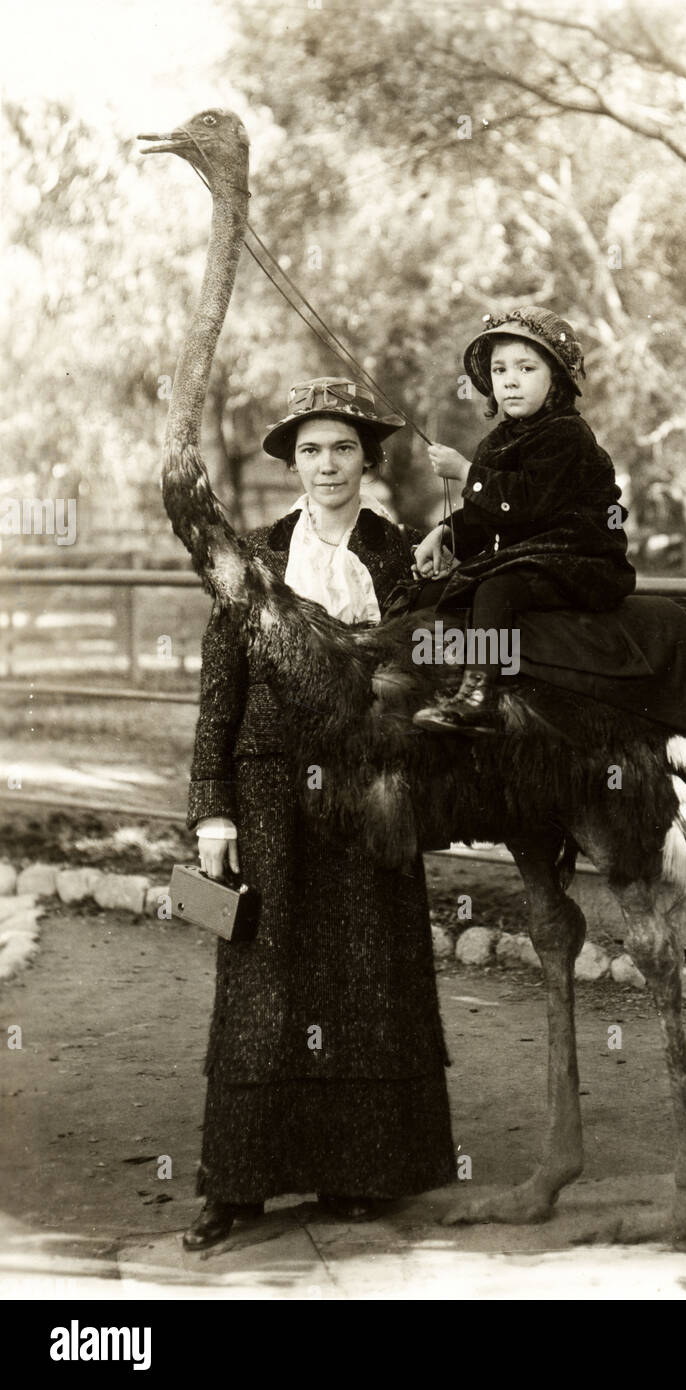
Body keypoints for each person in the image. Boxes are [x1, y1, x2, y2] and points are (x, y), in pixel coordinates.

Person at [183, 377, 456, 1251]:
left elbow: (428, 679)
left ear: (366, 459)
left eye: (342, 448)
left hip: (364, 790)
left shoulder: (403, 555)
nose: (327, 464)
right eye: (310, 449)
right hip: (266, 800)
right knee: (264, 985)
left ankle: (359, 1170)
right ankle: (239, 1184)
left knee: (366, 975)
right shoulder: (252, 558)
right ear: (291, 464)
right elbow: (217, 697)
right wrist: (211, 814)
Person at [403, 307, 636, 734]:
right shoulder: (498, 441)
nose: (509, 380)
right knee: (432, 594)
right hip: (528, 558)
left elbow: (526, 502)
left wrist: (466, 473)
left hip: (577, 559)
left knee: (496, 588)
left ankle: (480, 696)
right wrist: (445, 534)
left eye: (526, 368)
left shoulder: (567, 435)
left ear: (556, 381)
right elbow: (485, 513)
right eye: (499, 369)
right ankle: (429, 682)